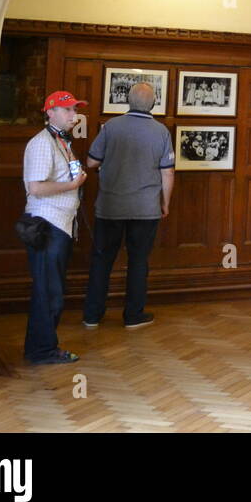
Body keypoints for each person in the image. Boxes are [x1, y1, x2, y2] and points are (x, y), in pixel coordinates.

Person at [83, 82, 174, 329]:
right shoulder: (161, 132)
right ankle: (133, 315)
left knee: (102, 260)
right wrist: (165, 203)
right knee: (138, 261)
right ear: (153, 103)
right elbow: (167, 174)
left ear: (128, 101)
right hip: (146, 208)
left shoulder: (111, 127)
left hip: (111, 206)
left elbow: (91, 162)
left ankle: (92, 315)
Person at [21, 90, 89, 365]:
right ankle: (42, 351)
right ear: (50, 112)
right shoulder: (41, 144)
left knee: (52, 291)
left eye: (75, 109)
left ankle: (43, 347)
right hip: (47, 226)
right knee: (48, 293)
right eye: (68, 110)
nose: (74, 115)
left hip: (60, 225)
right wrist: (72, 186)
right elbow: (35, 188)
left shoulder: (61, 141)